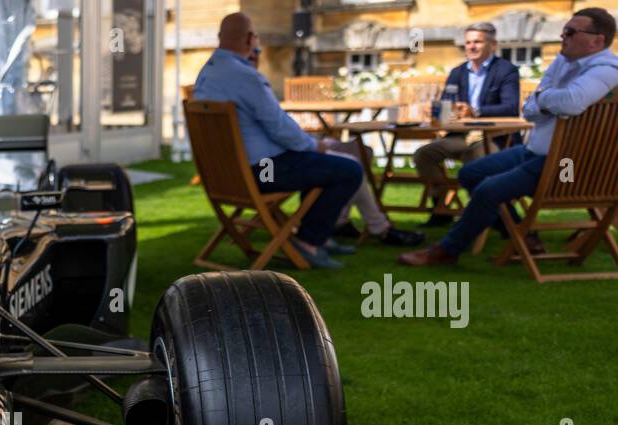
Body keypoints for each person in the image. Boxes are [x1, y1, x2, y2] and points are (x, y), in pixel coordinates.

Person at [400, 8, 618, 268]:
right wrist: (544, 101)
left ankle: (447, 250)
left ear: (597, 40)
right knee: (470, 173)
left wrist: (542, 100)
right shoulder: (563, 61)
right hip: (534, 151)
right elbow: (528, 108)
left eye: (571, 32)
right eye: (564, 30)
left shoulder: (607, 70)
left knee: (487, 190)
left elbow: (570, 102)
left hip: (564, 165)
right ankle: (522, 236)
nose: (563, 36)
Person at [193, 13, 363, 268]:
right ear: (251, 39)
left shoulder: (207, 73)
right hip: (262, 173)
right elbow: (279, 127)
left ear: (220, 38)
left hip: (227, 177)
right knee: (349, 169)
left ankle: (322, 237)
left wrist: (309, 148)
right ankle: (308, 241)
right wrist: (315, 144)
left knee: (314, 163)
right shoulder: (245, 76)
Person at [248, 44, 423, 247]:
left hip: (279, 156)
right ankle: (378, 228)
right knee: (351, 161)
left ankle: (344, 221)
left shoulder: (242, 93)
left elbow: (280, 130)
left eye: (258, 51)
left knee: (362, 152)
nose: (255, 57)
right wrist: (312, 145)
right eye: (251, 52)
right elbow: (280, 130)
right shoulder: (254, 89)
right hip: (276, 163)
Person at [413, 23, 521, 227]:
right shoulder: (457, 72)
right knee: (423, 155)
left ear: (493, 45)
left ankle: (486, 214)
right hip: (460, 136)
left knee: (476, 160)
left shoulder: (506, 71)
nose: (471, 47)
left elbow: (511, 107)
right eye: (468, 42)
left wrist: (476, 111)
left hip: (492, 136)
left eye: (477, 42)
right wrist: (436, 110)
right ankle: (441, 206)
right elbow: (447, 104)